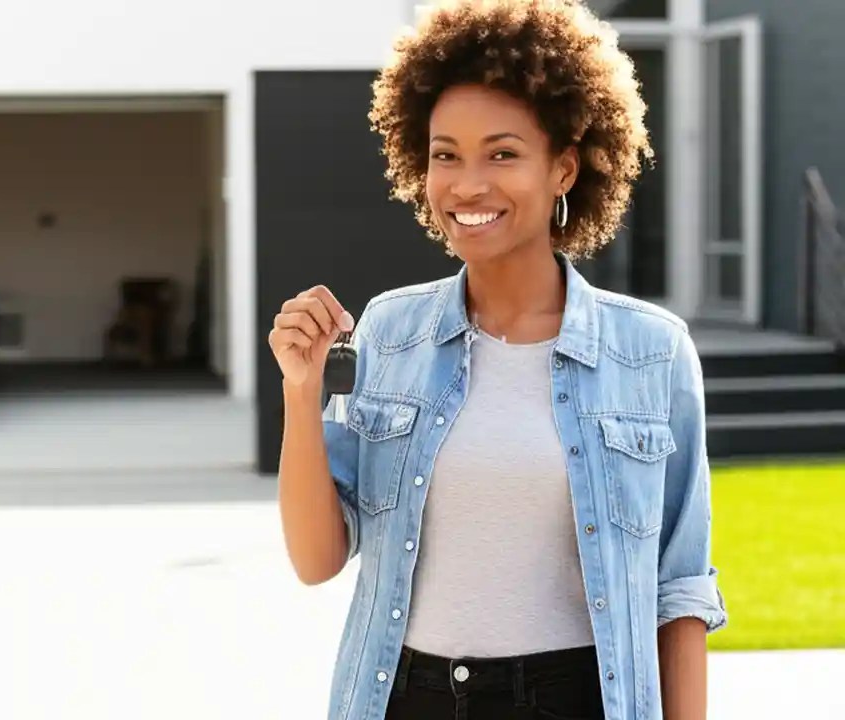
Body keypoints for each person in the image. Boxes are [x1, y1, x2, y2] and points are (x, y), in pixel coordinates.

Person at [268, 1, 727, 719]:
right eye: (445, 154)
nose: (467, 184)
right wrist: (301, 393)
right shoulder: (391, 330)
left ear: (565, 169)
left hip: (573, 700)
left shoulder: (651, 352)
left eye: (503, 153)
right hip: (405, 698)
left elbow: (680, 590)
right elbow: (318, 559)